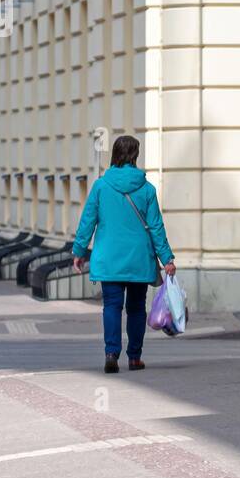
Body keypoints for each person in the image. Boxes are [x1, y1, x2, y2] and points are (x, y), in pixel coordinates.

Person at [72, 134, 175, 374]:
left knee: (111, 306)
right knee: (137, 308)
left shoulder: (100, 185)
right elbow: (156, 227)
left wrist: (78, 250)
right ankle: (135, 357)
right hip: (139, 258)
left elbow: (88, 220)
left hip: (109, 259)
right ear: (135, 156)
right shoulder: (146, 189)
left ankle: (111, 353)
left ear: (115, 155)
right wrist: (167, 258)